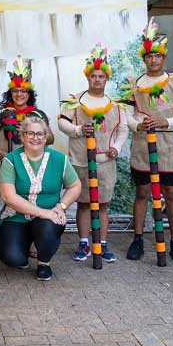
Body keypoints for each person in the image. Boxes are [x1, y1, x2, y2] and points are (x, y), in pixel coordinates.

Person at [120, 18, 173, 264]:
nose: (154, 60)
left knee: (171, 192)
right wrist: (138, 124)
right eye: (149, 56)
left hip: (168, 144)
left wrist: (165, 122)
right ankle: (138, 238)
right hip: (142, 143)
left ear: (163, 57)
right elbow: (127, 115)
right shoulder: (135, 85)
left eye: (157, 56)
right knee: (142, 192)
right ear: (144, 58)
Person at [58, 43, 127, 262]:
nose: (97, 80)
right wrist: (78, 130)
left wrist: (116, 147)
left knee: (103, 204)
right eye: (93, 76)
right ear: (88, 78)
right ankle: (84, 243)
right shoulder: (74, 101)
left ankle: (102, 243)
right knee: (85, 203)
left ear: (106, 79)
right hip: (80, 161)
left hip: (105, 161)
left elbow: (123, 129)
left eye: (101, 76)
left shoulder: (115, 105)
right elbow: (62, 124)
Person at [0, 117, 81, 281]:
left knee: (49, 228)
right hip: (17, 216)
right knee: (14, 259)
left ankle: (44, 262)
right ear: (22, 136)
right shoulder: (11, 159)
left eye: (40, 134)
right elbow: (8, 196)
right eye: (30, 133)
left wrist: (61, 206)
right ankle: (26, 244)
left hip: (49, 218)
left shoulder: (59, 159)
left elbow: (75, 186)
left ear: (46, 137)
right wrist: (43, 212)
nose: (35, 137)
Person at [0, 56, 53, 199]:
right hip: (6, 162)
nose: (19, 94)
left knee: (28, 197)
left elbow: (51, 138)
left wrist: (32, 140)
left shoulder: (37, 115)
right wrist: (5, 156)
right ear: (10, 93)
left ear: (29, 94)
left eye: (23, 91)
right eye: (15, 91)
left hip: (31, 162)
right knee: (8, 197)